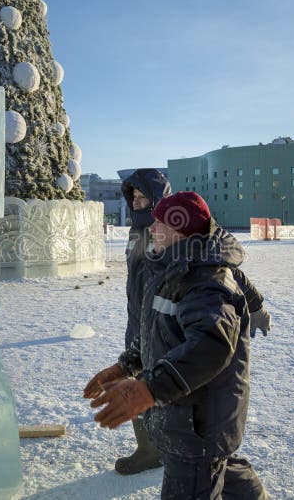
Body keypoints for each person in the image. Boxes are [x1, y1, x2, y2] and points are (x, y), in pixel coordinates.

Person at [84, 192, 269, 499]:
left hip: (199, 420)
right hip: (185, 417)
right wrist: (126, 365)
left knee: (201, 465)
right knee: (218, 464)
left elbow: (210, 346)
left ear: (182, 231)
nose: (153, 228)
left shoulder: (206, 280)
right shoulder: (173, 269)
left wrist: (150, 389)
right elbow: (158, 332)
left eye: (161, 222)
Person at [111, 168, 171, 474]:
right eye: (132, 195)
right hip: (136, 321)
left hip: (158, 326)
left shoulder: (164, 232)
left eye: (142, 195)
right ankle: (151, 447)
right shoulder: (137, 231)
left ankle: (155, 450)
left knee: (151, 384)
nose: (136, 201)